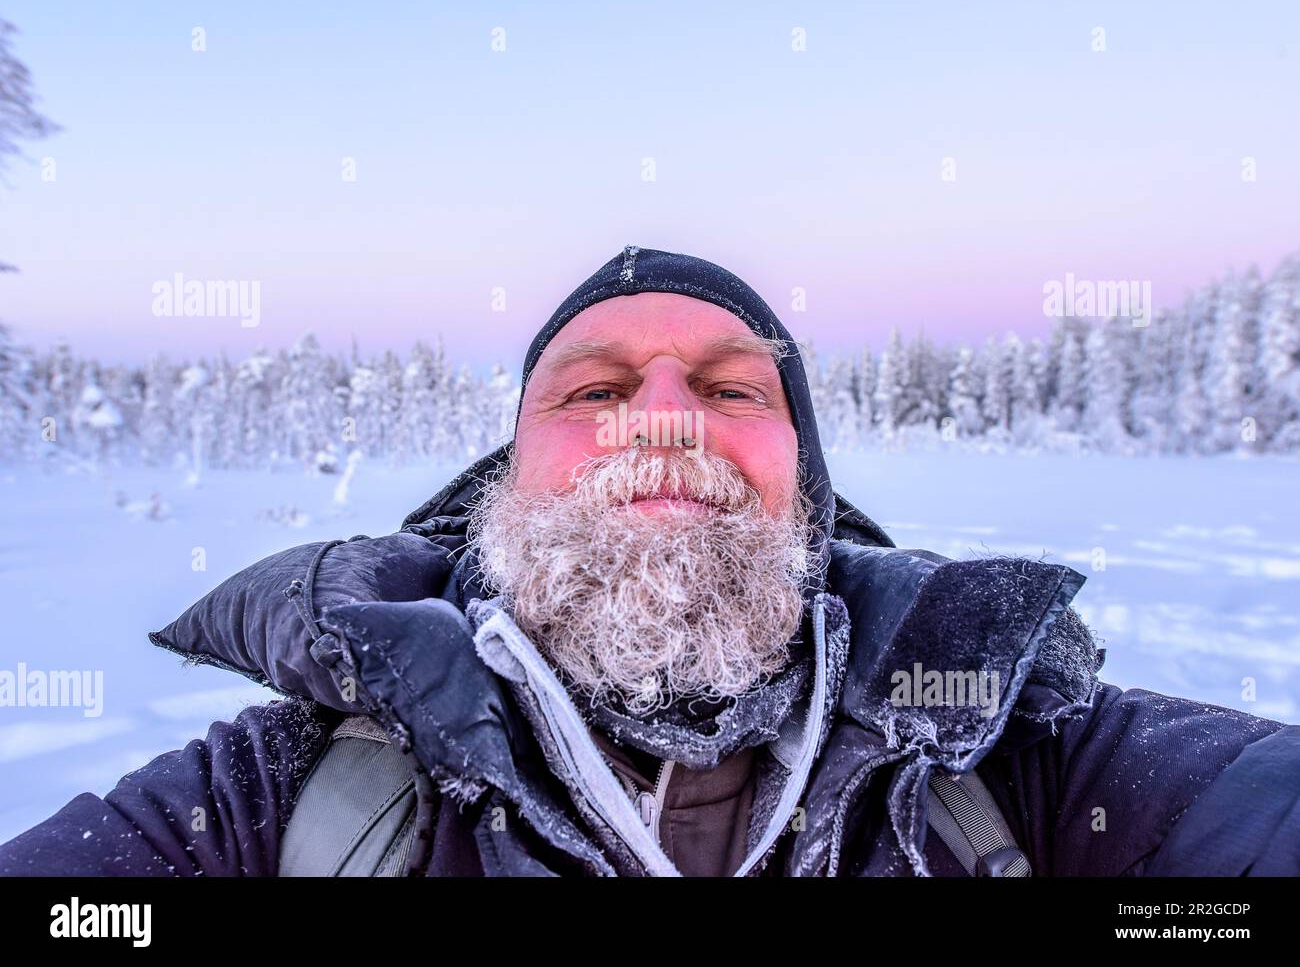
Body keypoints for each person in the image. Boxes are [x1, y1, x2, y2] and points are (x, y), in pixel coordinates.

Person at [2, 246, 1297, 877]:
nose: (665, 416)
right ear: (509, 484)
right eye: (598, 389)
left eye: (731, 387)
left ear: (809, 485)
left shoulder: (1015, 762)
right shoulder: (288, 795)